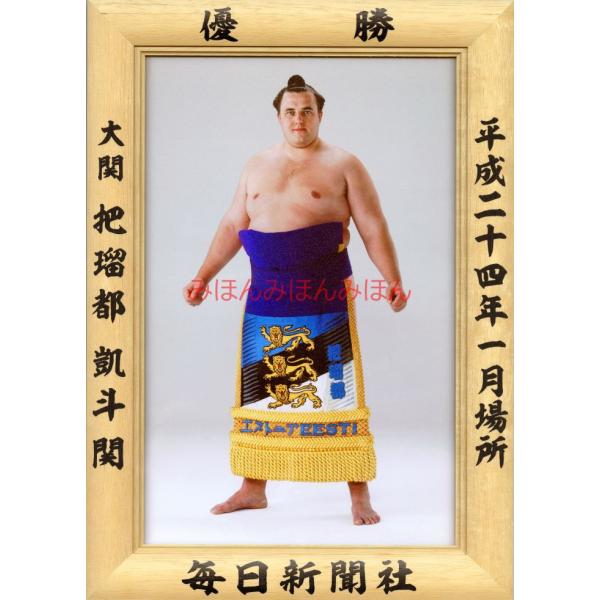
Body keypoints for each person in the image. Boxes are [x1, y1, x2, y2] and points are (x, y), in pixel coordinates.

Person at [183, 75, 408, 526]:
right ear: (278, 116)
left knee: (336, 389)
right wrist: (204, 276)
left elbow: (372, 225)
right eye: (290, 111)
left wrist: (392, 279)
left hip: (323, 291)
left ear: (320, 115)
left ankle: (358, 493)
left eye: (307, 111)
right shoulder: (256, 165)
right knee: (262, 389)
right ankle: (252, 489)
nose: (299, 119)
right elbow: (232, 225)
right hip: (267, 293)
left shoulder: (345, 164)